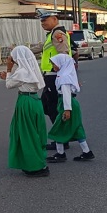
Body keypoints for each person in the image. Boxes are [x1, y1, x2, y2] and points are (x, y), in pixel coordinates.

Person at [0, 46, 49, 177]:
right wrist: (8, 76)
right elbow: (14, 82)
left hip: (26, 102)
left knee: (27, 134)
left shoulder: (21, 71)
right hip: (34, 101)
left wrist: (9, 69)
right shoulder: (31, 68)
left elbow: (9, 85)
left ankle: (35, 166)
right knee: (35, 133)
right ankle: (36, 162)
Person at [46, 53, 94, 162]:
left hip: (66, 104)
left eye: (54, 64)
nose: (53, 67)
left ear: (62, 63)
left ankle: (60, 153)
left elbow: (66, 94)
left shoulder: (64, 78)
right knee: (77, 127)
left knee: (59, 127)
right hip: (73, 103)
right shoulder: (68, 74)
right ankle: (86, 152)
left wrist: (67, 110)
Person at [37, 9, 71, 150]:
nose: (42, 23)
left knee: (53, 107)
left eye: (45, 20)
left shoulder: (58, 34)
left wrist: (60, 71)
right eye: (41, 20)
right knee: (47, 105)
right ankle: (62, 137)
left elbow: (63, 53)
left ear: (55, 19)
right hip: (50, 75)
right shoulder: (52, 35)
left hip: (54, 76)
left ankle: (61, 139)